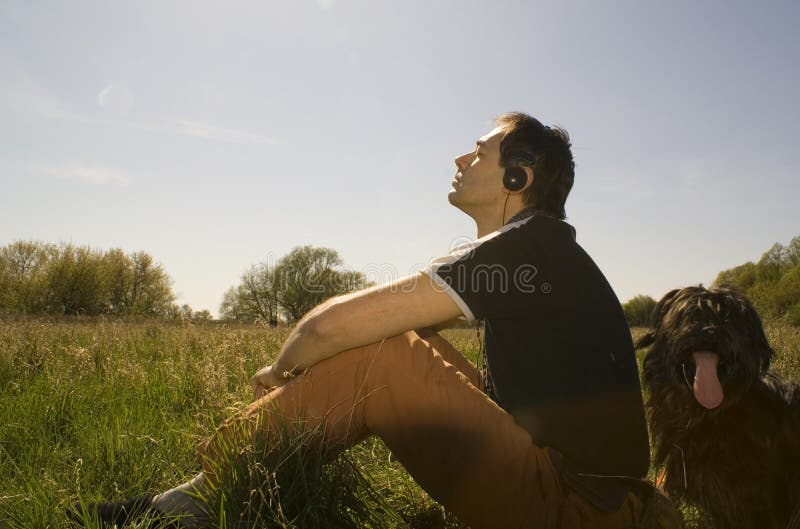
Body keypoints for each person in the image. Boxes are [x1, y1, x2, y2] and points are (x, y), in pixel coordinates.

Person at [70, 112, 671, 529]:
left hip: (577, 509)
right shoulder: (543, 249)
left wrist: (281, 371)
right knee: (405, 341)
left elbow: (330, 327)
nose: (461, 158)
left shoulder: (530, 247)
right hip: (586, 495)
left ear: (519, 176)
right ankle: (217, 490)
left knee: (386, 355)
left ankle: (194, 502)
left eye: (479, 151)